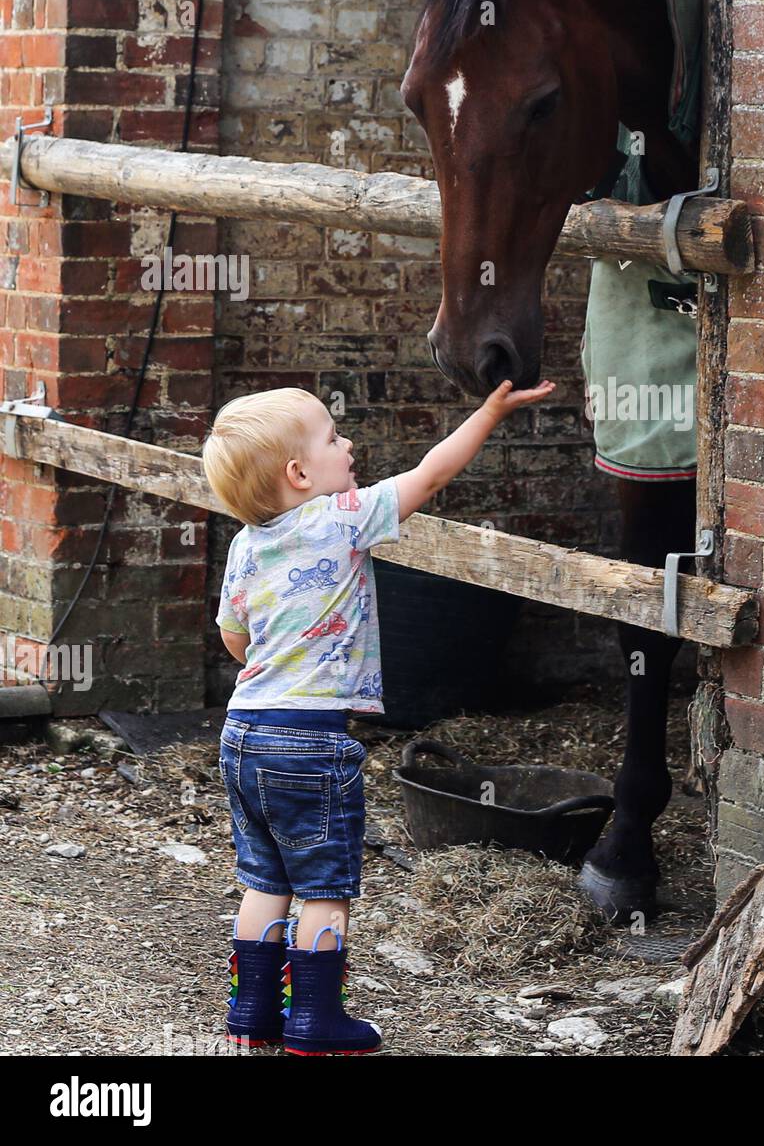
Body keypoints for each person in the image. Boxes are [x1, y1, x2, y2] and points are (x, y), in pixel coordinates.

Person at [202, 376, 553, 1054]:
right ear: (300, 472)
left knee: (264, 879)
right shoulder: (345, 515)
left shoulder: (247, 544)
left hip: (243, 733)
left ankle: (250, 1017)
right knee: (325, 887)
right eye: (334, 437)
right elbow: (432, 472)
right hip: (310, 742)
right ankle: (314, 1019)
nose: (349, 441)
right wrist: (487, 413)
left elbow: (234, 638)